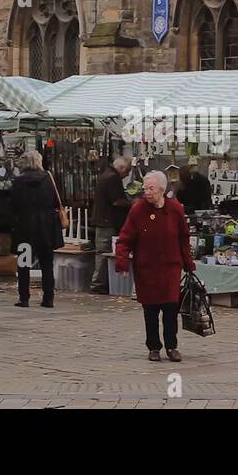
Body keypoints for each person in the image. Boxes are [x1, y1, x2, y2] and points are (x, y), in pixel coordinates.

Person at [115, 170, 195, 363]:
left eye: (151, 188)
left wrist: (188, 264)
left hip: (170, 269)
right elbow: (124, 239)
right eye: (145, 188)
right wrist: (122, 262)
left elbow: (183, 238)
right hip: (147, 270)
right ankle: (153, 347)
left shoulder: (175, 209)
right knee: (150, 311)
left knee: (170, 311)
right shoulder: (138, 209)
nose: (147, 192)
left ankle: (171, 346)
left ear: (162, 189)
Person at [9, 150, 64, 308]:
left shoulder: (18, 182)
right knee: (47, 264)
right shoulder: (49, 179)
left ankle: (24, 298)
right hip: (46, 228)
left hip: (25, 228)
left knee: (24, 264)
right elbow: (56, 201)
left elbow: (12, 205)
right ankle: (48, 298)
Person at [90, 156, 133, 294]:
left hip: (103, 220)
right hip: (106, 221)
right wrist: (132, 203)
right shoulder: (113, 178)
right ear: (122, 168)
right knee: (103, 252)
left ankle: (100, 283)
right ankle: (97, 284)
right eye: (127, 172)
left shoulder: (106, 175)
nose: (126, 175)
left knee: (102, 252)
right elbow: (116, 201)